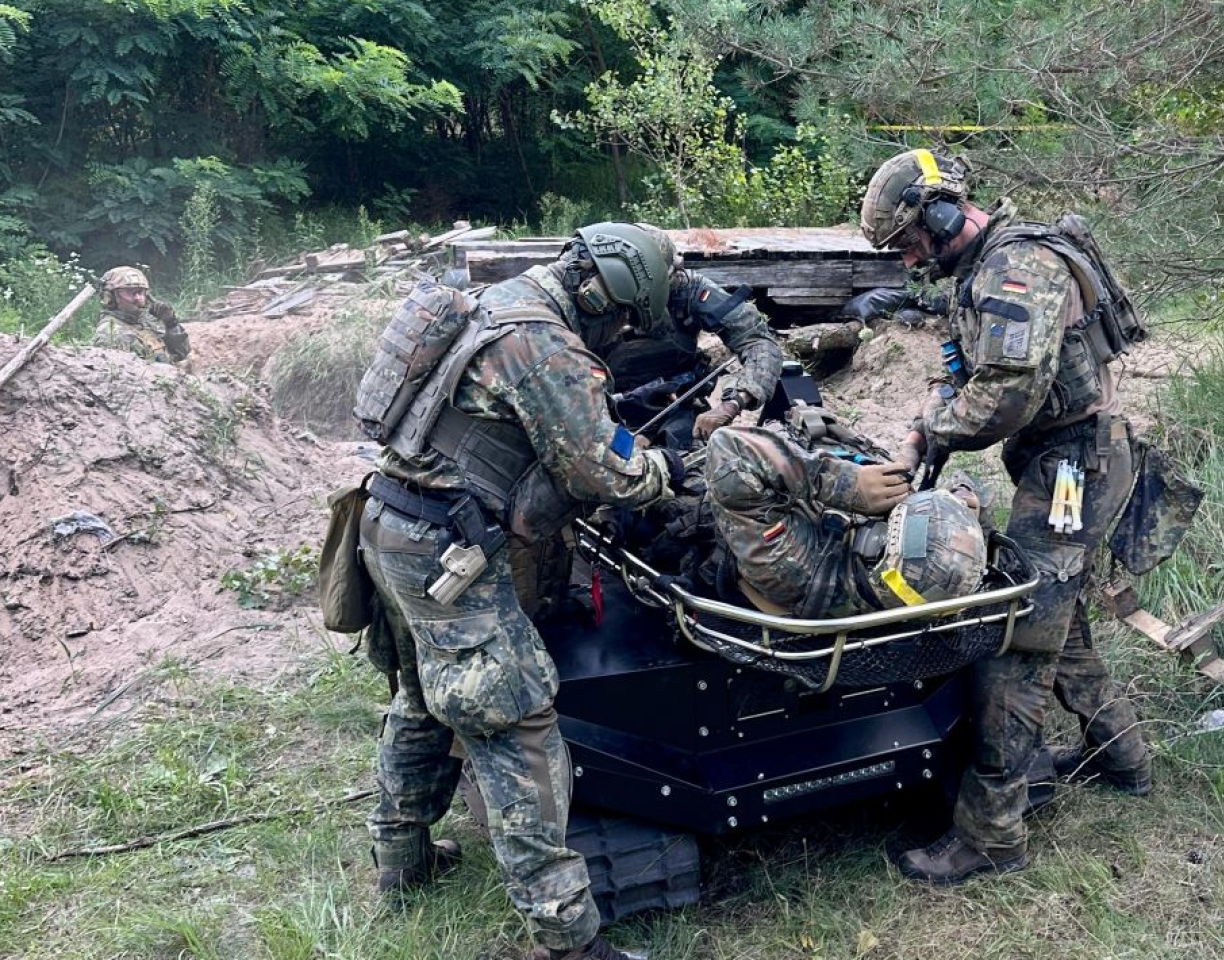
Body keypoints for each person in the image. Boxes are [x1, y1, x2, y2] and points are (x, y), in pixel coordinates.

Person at [350, 224, 696, 960]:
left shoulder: (497, 301)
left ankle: (399, 863)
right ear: (603, 292)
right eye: (625, 315)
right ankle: (567, 939)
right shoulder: (543, 347)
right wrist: (671, 467)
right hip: (449, 551)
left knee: (421, 695)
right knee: (517, 728)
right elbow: (601, 475)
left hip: (388, 523)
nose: (622, 330)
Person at [859, 149, 1155, 884]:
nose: (909, 259)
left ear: (940, 214)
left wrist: (937, 431)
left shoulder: (1016, 270)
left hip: (1072, 468)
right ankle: (1123, 755)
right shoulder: (985, 267)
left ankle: (993, 837)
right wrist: (935, 405)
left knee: (1018, 637)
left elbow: (1008, 395)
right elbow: (967, 359)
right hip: (1064, 457)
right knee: (1062, 620)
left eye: (908, 241)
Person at [702, 415, 986, 619]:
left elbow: (728, 448)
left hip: (721, 499)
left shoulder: (794, 570)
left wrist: (845, 484)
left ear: (875, 544)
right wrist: (959, 498)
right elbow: (961, 507)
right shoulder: (918, 584)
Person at [555, 222, 783, 443]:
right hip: (601, 409)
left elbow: (758, 340)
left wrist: (733, 402)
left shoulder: (686, 289)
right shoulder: (586, 296)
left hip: (676, 406)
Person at [94, 266, 190, 363]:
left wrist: (171, 323)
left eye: (141, 292)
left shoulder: (145, 323)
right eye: (130, 292)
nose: (138, 298)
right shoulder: (110, 333)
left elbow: (180, 354)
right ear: (110, 297)